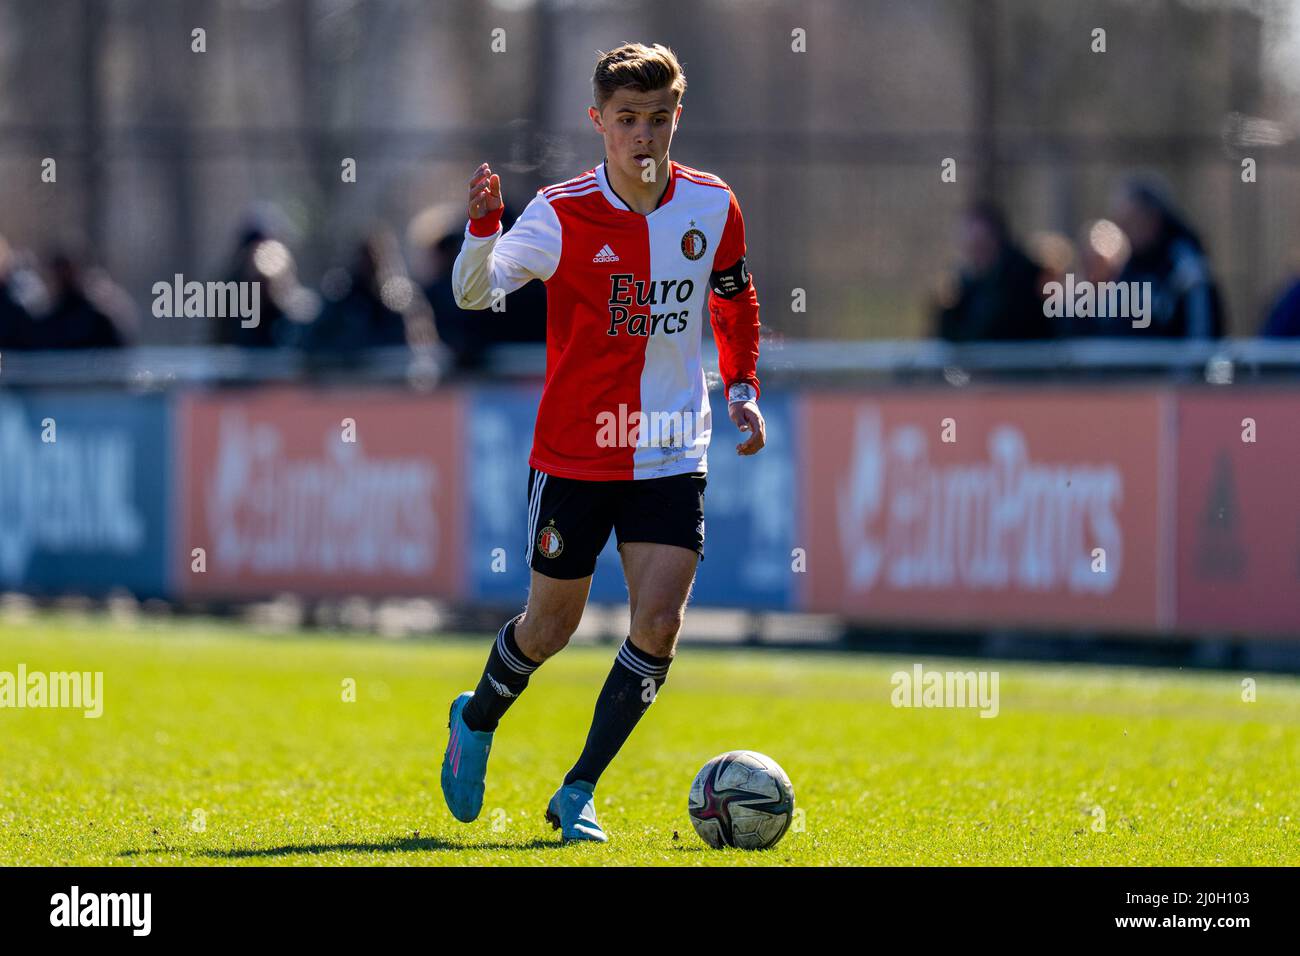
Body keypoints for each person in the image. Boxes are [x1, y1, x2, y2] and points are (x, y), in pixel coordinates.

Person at [443, 42, 764, 843]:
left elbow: (734, 298)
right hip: (576, 455)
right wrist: (484, 226)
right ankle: (476, 717)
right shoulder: (560, 212)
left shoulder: (713, 205)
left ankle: (579, 788)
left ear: (675, 119)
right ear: (599, 124)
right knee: (549, 629)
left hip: (669, 448)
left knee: (658, 623)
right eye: (627, 120)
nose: (644, 136)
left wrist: (743, 388)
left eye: (658, 119)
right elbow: (474, 291)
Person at [1106, 178, 1225, 338]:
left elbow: (1202, 334)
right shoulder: (1129, 266)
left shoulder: (1185, 264)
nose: (1125, 233)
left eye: (1130, 222)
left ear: (1151, 218)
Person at [933, 202, 1053, 342]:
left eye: (978, 242)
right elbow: (951, 334)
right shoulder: (966, 284)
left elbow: (995, 329)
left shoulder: (1023, 276)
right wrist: (949, 307)